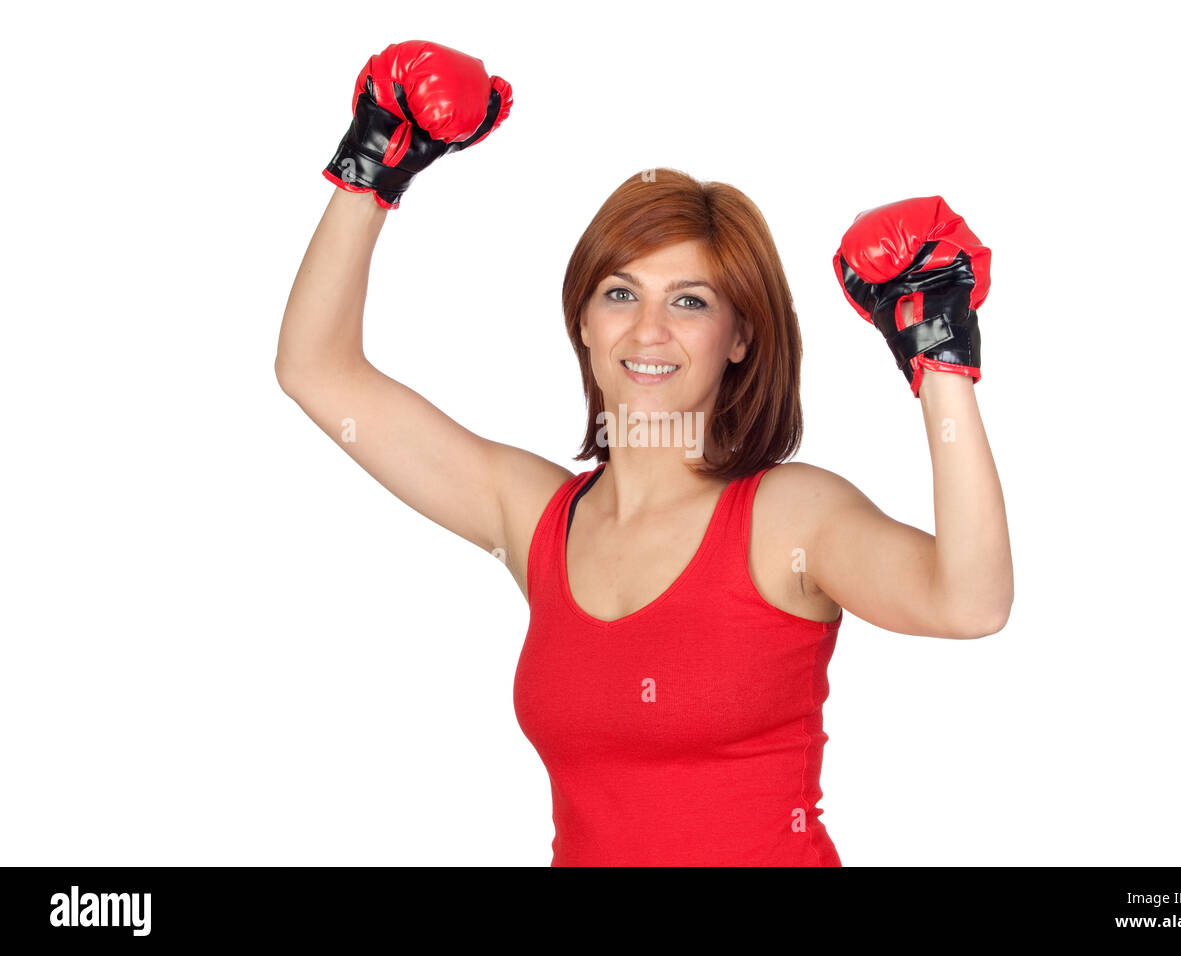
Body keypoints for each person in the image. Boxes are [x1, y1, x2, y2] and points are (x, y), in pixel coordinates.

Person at [276, 40, 1014, 867]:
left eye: (690, 301)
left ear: (739, 338)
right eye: (620, 293)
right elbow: (316, 371)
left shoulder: (786, 518)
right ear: (584, 320)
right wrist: (371, 165)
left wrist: (940, 359)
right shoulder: (535, 519)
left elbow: (969, 603)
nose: (649, 331)